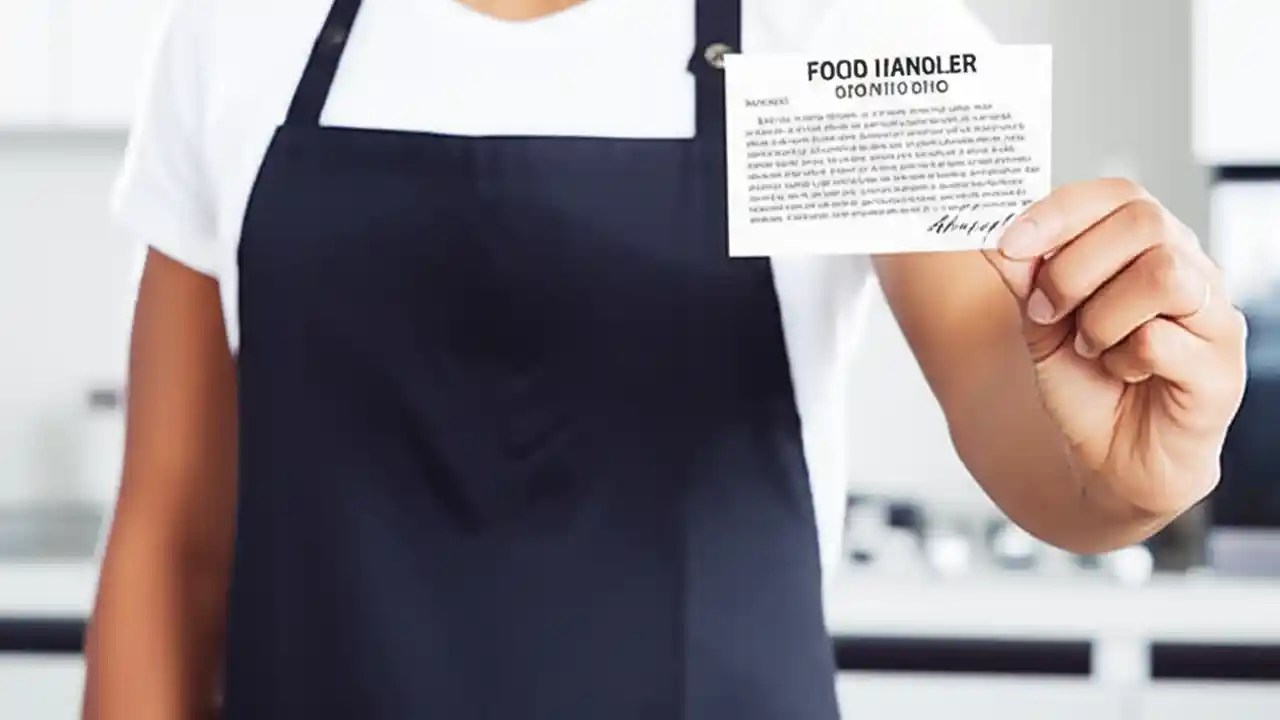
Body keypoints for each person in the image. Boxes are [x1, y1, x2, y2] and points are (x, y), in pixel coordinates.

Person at [83, 0, 1247, 718]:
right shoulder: (237, 27)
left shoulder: (840, 24)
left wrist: (1130, 470)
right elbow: (170, 537)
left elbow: (1009, 381)